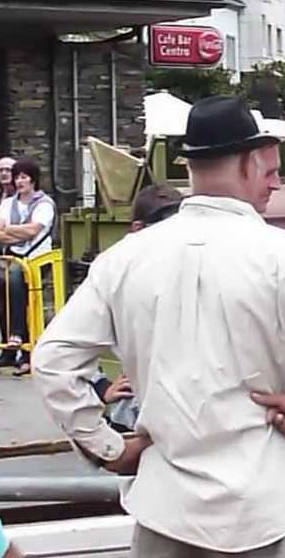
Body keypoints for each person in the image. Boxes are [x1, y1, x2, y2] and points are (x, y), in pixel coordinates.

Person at [33, 95, 285, 558]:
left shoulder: (124, 259)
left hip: (168, 509)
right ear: (246, 163)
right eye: (271, 172)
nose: (275, 184)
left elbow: (53, 361)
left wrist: (109, 446)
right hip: (265, 505)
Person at [89, 183, 187, 434]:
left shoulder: (198, 267)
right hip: (136, 418)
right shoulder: (114, 271)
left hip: (193, 419)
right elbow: (67, 347)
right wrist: (101, 387)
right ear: (138, 229)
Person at [0, 158, 55, 375]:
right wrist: (17, 231)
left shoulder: (44, 204)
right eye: (17, 177)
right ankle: (10, 347)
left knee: (14, 276)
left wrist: (9, 229)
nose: (19, 181)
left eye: (24, 177)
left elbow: (34, 231)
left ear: (33, 180)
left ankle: (21, 338)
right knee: (1, 281)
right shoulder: (7, 203)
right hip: (14, 257)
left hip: (37, 258)